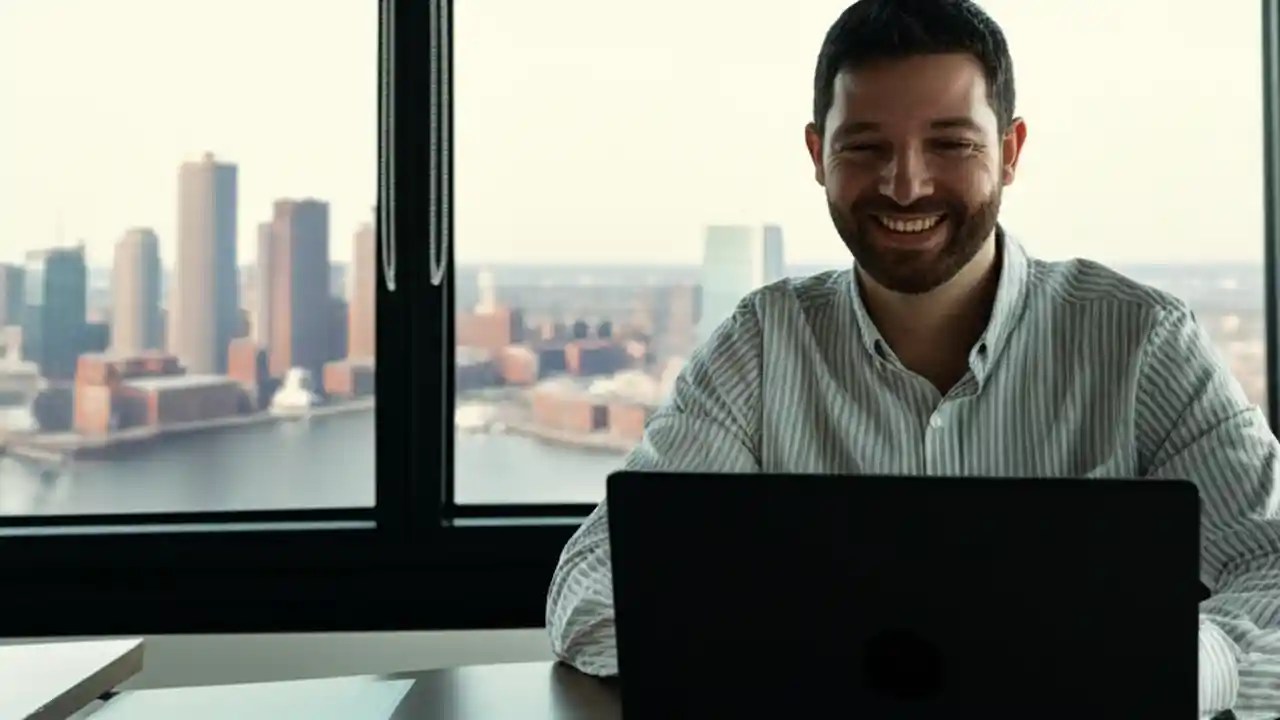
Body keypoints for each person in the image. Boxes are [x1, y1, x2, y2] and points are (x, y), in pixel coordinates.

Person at [544, 0, 1280, 716]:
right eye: (865, 146)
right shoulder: (760, 345)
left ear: (1011, 152)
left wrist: (1167, 666)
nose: (906, 183)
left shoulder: (1141, 340)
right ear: (816, 154)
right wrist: (817, 662)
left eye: (951, 144)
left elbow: (1271, 562)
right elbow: (593, 581)